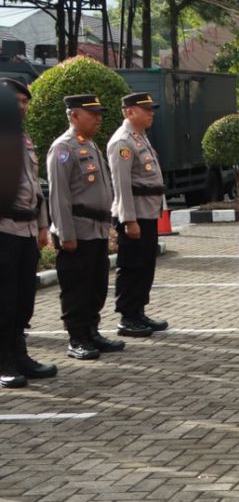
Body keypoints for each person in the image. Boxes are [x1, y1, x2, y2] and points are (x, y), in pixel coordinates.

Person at [47, 93, 122, 361]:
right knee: (76, 288)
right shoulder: (63, 148)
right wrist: (66, 234)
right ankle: (77, 338)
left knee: (96, 285)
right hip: (77, 231)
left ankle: (92, 332)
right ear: (75, 115)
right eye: (93, 114)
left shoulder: (89, 145)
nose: (98, 119)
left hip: (97, 230)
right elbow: (59, 196)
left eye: (100, 114)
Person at [0, 78, 54, 388]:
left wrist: (43, 225)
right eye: (15, 101)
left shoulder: (24, 139)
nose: (21, 106)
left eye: (24, 102)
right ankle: (4, 360)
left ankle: (20, 355)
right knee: (4, 300)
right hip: (4, 230)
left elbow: (36, 188)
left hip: (27, 229)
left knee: (24, 299)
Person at [107, 91, 168, 337]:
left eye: (152, 109)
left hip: (147, 213)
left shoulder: (140, 138)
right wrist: (129, 220)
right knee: (132, 266)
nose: (151, 113)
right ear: (130, 112)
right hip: (134, 216)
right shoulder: (123, 142)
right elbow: (121, 186)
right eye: (146, 109)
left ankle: (138, 311)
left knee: (145, 266)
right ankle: (128, 317)